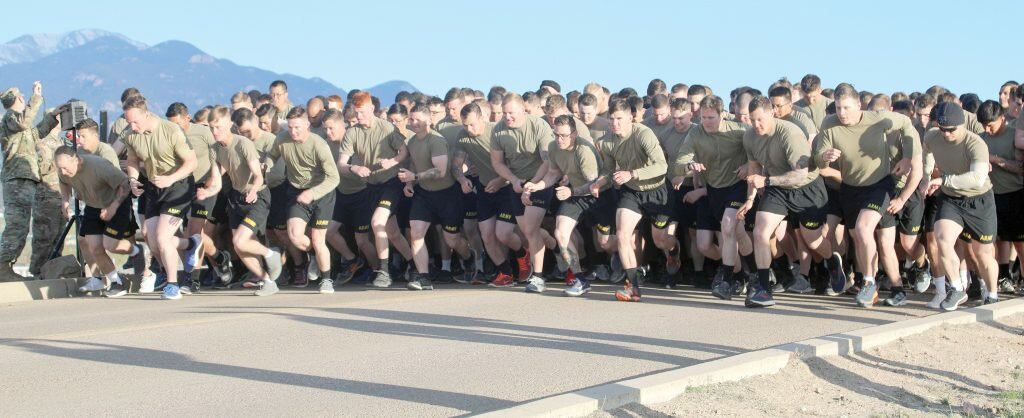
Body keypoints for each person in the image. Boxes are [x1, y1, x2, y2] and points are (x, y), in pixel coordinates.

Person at [814, 83, 921, 307]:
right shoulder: (829, 123)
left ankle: (872, 283)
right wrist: (825, 155)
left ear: (859, 105)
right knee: (861, 238)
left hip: (880, 185)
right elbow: (817, 160)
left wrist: (908, 157)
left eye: (846, 107)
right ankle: (888, 288)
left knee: (875, 235)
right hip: (851, 188)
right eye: (838, 107)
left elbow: (907, 125)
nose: (842, 113)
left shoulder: (877, 118)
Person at [737, 96, 841, 308]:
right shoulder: (749, 137)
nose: (756, 125)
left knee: (812, 240)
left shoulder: (790, 133)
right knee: (760, 232)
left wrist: (765, 180)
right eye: (752, 120)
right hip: (777, 189)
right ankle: (764, 290)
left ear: (772, 113)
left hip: (806, 188)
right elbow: (754, 169)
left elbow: (800, 175)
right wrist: (749, 199)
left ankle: (832, 261)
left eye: (760, 120)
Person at [120, 95, 202, 300]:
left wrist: (170, 178)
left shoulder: (170, 130)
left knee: (163, 237)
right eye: (128, 122)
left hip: (178, 185)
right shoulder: (131, 135)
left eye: (135, 121)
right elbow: (132, 160)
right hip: (153, 186)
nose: (132, 126)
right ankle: (190, 244)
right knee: (153, 240)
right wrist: (132, 180)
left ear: (146, 114)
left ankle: (173, 284)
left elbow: (191, 163)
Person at [590, 99, 672, 302]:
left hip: (656, 190)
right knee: (622, 235)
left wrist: (632, 173)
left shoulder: (643, 134)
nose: (615, 123)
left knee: (661, 239)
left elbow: (662, 166)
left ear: (630, 118)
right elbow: (609, 171)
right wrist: (599, 182)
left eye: (619, 119)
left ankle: (675, 251)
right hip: (632, 192)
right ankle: (633, 286)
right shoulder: (607, 141)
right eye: (611, 119)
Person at [675, 95, 755, 300]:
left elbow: (757, 154)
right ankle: (749, 274)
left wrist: (748, 166)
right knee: (737, 231)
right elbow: (681, 160)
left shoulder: (740, 131)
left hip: (737, 185)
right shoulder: (695, 132)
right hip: (715, 189)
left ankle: (727, 280)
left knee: (728, 226)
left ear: (722, 115)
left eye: (711, 117)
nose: (707, 122)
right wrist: (689, 166)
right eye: (703, 117)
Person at [921, 102, 999, 310]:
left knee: (983, 254)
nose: (946, 134)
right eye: (942, 129)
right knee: (942, 239)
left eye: (951, 130)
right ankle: (956, 288)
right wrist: (926, 177)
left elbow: (977, 178)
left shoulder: (975, 144)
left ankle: (992, 294)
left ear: (962, 125)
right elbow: (926, 154)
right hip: (951, 198)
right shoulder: (932, 136)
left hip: (979, 199)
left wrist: (943, 180)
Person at [533, 115, 613, 296]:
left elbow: (593, 185)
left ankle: (627, 258)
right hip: (576, 194)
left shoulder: (584, 150)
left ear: (574, 134)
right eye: (556, 134)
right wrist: (536, 185)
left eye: (563, 135)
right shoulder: (553, 147)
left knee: (607, 243)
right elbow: (553, 174)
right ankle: (580, 279)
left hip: (599, 194)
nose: (559, 139)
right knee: (560, 232)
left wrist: (571, 191)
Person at [338, 92, 411, 288]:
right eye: (356, 112)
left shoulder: (386, 127)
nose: (359, 116)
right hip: (371, 185)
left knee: (377, 222)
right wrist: (354, 168)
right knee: (393, 233)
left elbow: (404, 151)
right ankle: (415, 264)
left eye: (361, 112)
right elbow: (341, 164)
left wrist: (392, 161)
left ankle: (384, 271)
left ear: (372, 109)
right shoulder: (352, 132)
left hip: (391, 183)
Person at [398, 104, 474, 290]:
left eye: (418, 120)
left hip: (446, 195)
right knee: (416, 234)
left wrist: (413, 177)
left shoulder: (436, 141)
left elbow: (440, 171)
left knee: (451, 240)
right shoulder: (412, 142)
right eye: (411, 119)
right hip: (424, 195)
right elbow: (416, 164)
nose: (414, 123)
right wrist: (409, 183)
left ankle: (469, 257)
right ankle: (423, 276)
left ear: (429, 121)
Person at [209, 106, 283, 296]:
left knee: (241, 241)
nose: (214, 132)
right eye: (211, 128)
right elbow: (217, 183)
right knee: (238, 245)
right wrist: (206, 191)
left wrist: (254, 190)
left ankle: (270, 254)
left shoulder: (243, 143)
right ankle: (267, 281)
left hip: (257, 196)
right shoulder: (215, 149)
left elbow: (259, 176)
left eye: (218, 127)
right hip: (236, 198)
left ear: (227, 125)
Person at [55, 147, 144, 297]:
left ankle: (136, 251)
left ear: (76, 160)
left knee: (109, 244)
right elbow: (63, 182)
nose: (63, 171)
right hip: (93, 205)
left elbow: (125, 184)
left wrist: (113, 207)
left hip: (117, 203)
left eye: (65, 167)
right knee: (94, 246)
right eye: (60, 168)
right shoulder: (63, 170)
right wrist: (65, 200)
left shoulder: (98, 166)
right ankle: (117, 282)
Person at [269, 107, 340, 293]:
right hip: (297, 191)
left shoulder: (319, 145)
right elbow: (272, 156)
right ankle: (314, 256)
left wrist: (313, 193)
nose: (293, 131)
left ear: (307, 125)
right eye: (290, 127)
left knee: (318, 239)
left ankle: (326, 279)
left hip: (322, 193)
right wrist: (265, 164)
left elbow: (334, 178)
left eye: (298, 127)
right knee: (294, 236)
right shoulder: (282, 139)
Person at [0, 82, 65, 281]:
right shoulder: (11, 118)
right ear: (19, 100)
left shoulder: (18, 126)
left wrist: (53, 117)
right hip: (17, 180)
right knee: (17, 226)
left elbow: (36, 133)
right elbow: (24, 123)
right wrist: (35, 98)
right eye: (22, 99)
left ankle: (4, 267)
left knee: (21, 226)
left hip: (25, 179)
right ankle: (2, 267)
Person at [493, 93, 556, 291]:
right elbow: (497, 162)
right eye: (504, 113)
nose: (507, 117)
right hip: (517, 183)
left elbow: (548, 161)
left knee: (530, 228)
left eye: (511, 112)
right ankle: (560, 251)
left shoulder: (539, 126)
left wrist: (532, 185)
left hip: (540, 181)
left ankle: (537, 277)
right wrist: (514, 181)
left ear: (523, 110)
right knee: (528, 231)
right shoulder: (498, 130)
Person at [976, 100, 1023, 294]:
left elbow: (1021, 168)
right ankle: (1003, 277)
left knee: (1020, 243)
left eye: (991, 125)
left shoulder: (1015, 136)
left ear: (1002, 118)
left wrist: (997, 161)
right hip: (991, 196)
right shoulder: (980, 139)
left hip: (1016, 194)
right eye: (984, 125)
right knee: (997, 241)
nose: (988, 129)